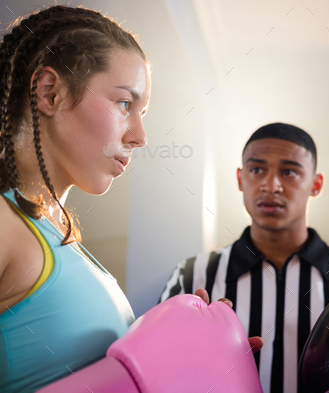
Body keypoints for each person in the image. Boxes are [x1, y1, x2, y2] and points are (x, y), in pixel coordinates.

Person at [0, 6, 262, 393]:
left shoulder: (63, 242)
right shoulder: (5, 225)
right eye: (125, 104)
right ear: (49, 93)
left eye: (143, 112)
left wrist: (189, 358)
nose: (140, 136)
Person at [160, 122, 329, 393]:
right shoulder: (194, 275)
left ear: (316, 184)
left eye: (289, 172)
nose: (271, 186)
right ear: (240, 179)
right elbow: (157, 370)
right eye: (256, 170)